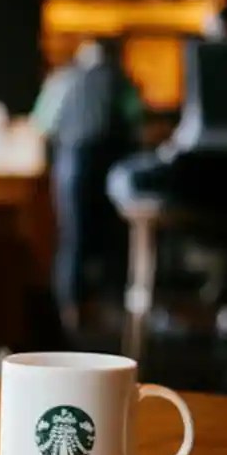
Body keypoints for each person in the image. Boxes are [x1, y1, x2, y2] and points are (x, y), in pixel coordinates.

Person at [48, 40, 143, 334]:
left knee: (72, 239)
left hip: (71, 167)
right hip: (112, 167)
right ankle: (114, 310)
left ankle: (70, 312)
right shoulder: (121, 80)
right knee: (115, 239)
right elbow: (136, 117)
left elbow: (44, 122)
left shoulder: (62, 80)